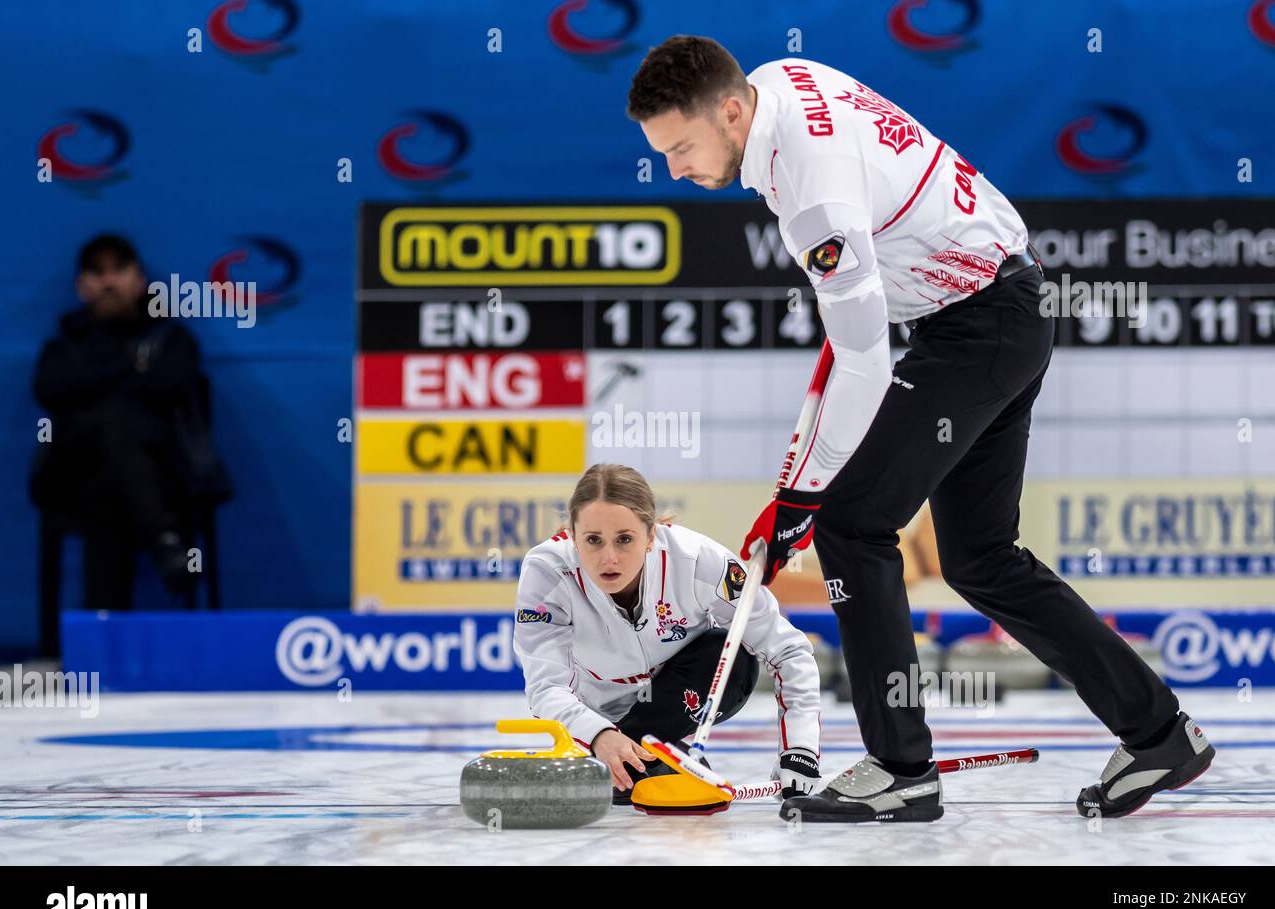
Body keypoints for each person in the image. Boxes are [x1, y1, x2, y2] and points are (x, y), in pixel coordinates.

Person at [627, 37, 1214, 822]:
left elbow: (864, 361)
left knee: (853, 524)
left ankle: (901, 768)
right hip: (1004, 306)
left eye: (680, 148)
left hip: (976, 326)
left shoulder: (812, 194)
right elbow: (852, 326)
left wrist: (804, 497)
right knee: (981, 558)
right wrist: (801, 485)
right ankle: (1160, 734)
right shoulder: (776, 82)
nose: (673, 170)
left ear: (730, 113)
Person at [513, 463, 822, 804]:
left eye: (625, 539)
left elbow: (788, 650)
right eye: (593, 541)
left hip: (679, 696)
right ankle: (642, 760)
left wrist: (800, 749)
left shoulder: (699, 561)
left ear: (652, 535)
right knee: (619, 776)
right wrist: (598, 733)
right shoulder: (547, 571)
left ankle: (649, 755)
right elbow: (546, 686)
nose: (609, 558)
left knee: (731, 652)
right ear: (572, 535)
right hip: (596, 711)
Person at [31, 234, 214, 607]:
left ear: (140, 280)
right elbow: (50, 388)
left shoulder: (171, 337)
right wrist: (132, 368)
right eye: (97, 273)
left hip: (160, 475)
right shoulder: (65, 343)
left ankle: (102, 641)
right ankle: (165, 541)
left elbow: (174, 385)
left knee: (112, 471)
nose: (108, 282)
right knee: (112, 433)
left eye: (118, 270)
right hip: (75, 475)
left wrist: (95, 383)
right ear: (82, 286)